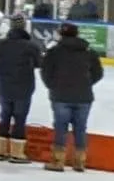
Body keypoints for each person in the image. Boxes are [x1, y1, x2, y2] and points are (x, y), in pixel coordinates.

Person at [41, 20, 105, 172]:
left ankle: (58, 161)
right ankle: (79, 162)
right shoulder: (89, 51)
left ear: (61, 34)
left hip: (60, 96)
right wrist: (86, 84)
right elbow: (98, 73)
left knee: (60, 128)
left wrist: (53, 86)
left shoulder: (54, 51)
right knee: (80, 129)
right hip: (84, 96)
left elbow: (45, 72)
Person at [0, 10, 41, 162]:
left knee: (4, 116)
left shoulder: (2, 44)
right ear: (24, 27)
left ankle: (0, 151)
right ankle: (17, 153)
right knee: (20, 118)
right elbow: (39, 63)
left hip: (4, 86)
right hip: (24, 87)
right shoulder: (31, 46)